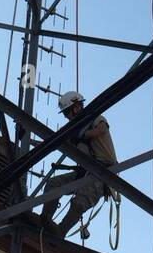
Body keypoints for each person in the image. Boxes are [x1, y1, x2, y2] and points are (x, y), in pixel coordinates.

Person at [39, 90, 118, 237]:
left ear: (76, 107)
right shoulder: (75, 131)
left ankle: (60, 231)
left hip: (104, 172)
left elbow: (101, 130)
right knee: (53, 184)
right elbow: (54, 144)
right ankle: (45, 220)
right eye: (65, 114)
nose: (67, 117)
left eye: (67, 112)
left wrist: (80, 135)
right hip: (86, 171)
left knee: (81, 201)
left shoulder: (95, 118)